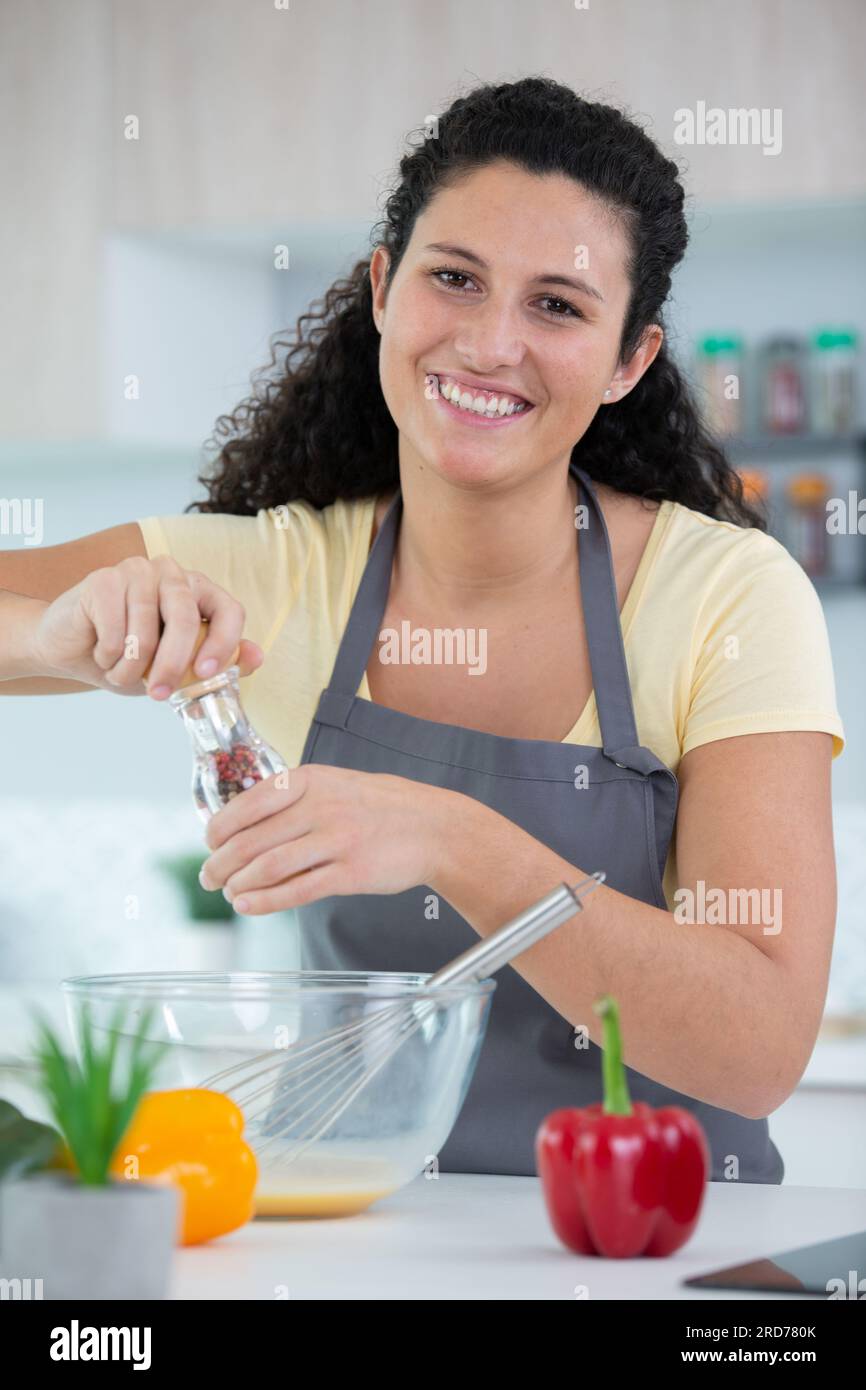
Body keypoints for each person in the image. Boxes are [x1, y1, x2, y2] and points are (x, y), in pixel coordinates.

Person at [0, 77, 844, 1183]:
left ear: (628, 360)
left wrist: (463, 844)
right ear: (383, 291)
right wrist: (54, 637)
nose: (491, 344)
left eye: (557, 305)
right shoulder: (285, 570)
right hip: (354, 1241)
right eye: (453, 278)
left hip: (663, 1256)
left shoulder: (727, 594)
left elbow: (759, 1044)